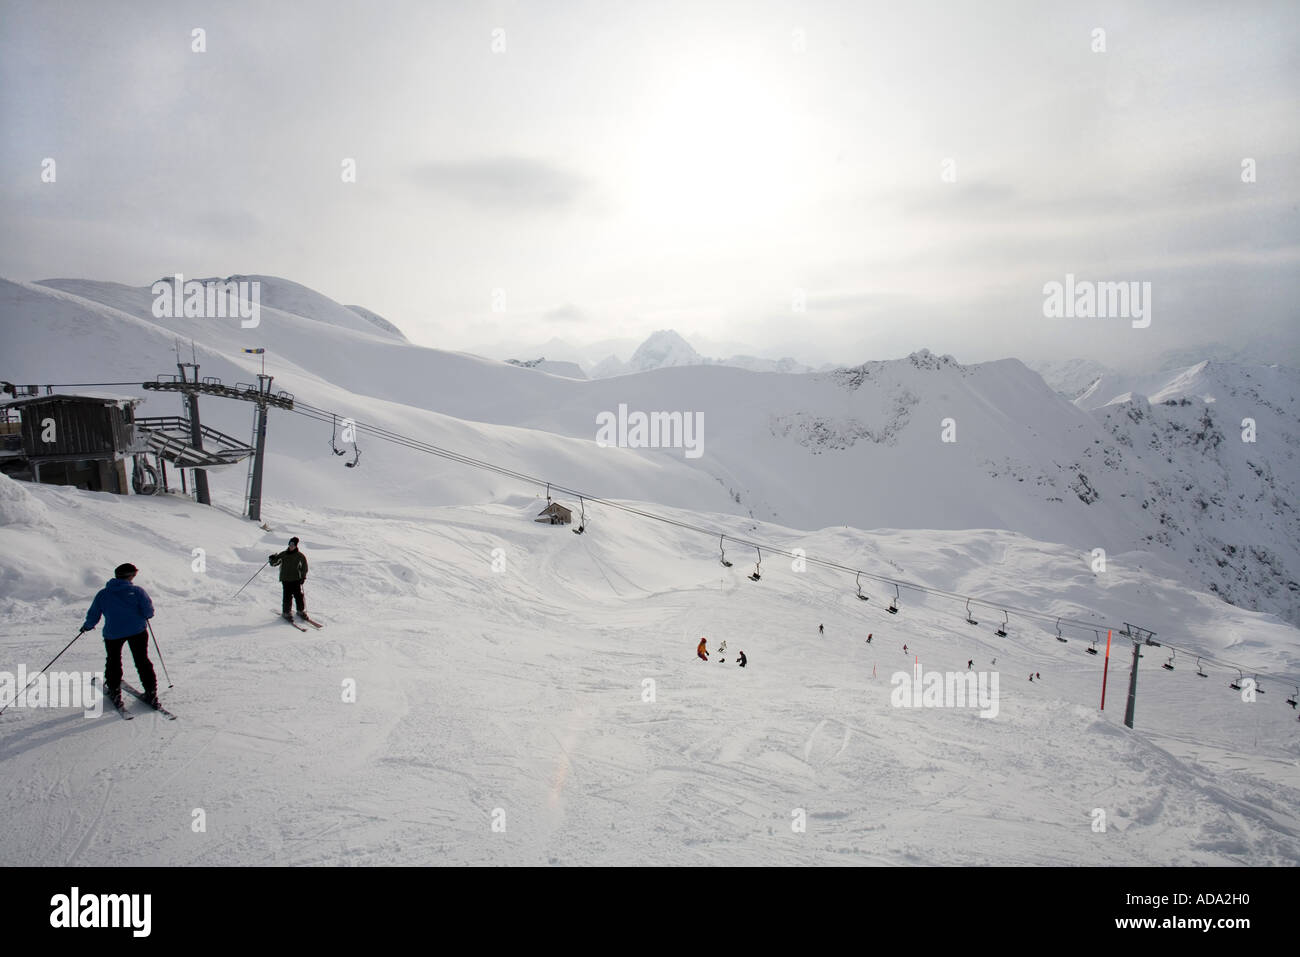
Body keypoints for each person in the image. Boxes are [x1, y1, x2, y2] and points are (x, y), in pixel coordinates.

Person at [81, 563, 158, 709]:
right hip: (137, 631)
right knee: (142, 661)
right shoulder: (137, 591)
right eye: (134, 574)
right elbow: (149, 613)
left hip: (113, 633)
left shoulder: (103, 594)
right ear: (130, 576)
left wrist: (87, 626)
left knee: (113, 660)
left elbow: (94, 614)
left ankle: (114, 691)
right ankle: (151, 693)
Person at [269, 537, 309, 621]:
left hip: (296, 579)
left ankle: (300, 611)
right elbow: (274, 563)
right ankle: (286, 612)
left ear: (296, 545)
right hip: (285, 579)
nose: (291, 546)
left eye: (293, 545)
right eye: (290, 544)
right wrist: (271, 559)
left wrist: (303, 577)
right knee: (287, 596)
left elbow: (304, 568)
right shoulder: (283, 554)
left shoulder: (300, 556)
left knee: (298, 595)